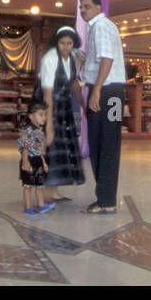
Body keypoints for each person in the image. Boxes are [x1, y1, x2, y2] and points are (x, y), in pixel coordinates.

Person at [79, 0, 125, 214]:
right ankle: (107, 198)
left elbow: (107, 59)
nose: (82, 10)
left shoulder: (101, 26)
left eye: (86, 6)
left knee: (102, 143)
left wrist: (96, 90)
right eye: (81, 7)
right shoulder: (103, 27)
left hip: (106, 92)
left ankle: (106, 199)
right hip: (114, 92)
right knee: (109, 143)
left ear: (98, 7)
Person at [37, 26, 85, 204]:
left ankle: (54, 191)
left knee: (60, 149)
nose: (65, 47)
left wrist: (83, 105)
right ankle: (45, 192)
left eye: (69, 43)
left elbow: (74, 82)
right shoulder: (49, 58)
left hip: (63, 106)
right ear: (56, 43)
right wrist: (48, 125)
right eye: (62, 43)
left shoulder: (72, 58)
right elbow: (47, 94)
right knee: (50, 147)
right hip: (48, 106)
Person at [19, 101, 53, 215]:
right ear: (31, 116)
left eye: (45, 115)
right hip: (29, 161)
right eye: (41, 114)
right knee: (28, 186)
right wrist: (25, 161)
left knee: (39, 184)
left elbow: (40, 151)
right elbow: (24, 147)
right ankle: (28, 207)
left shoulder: (39, 130)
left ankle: (41, 205)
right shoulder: (27, 130)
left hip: (38, 161)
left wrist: (44, 163)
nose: (44, 118)